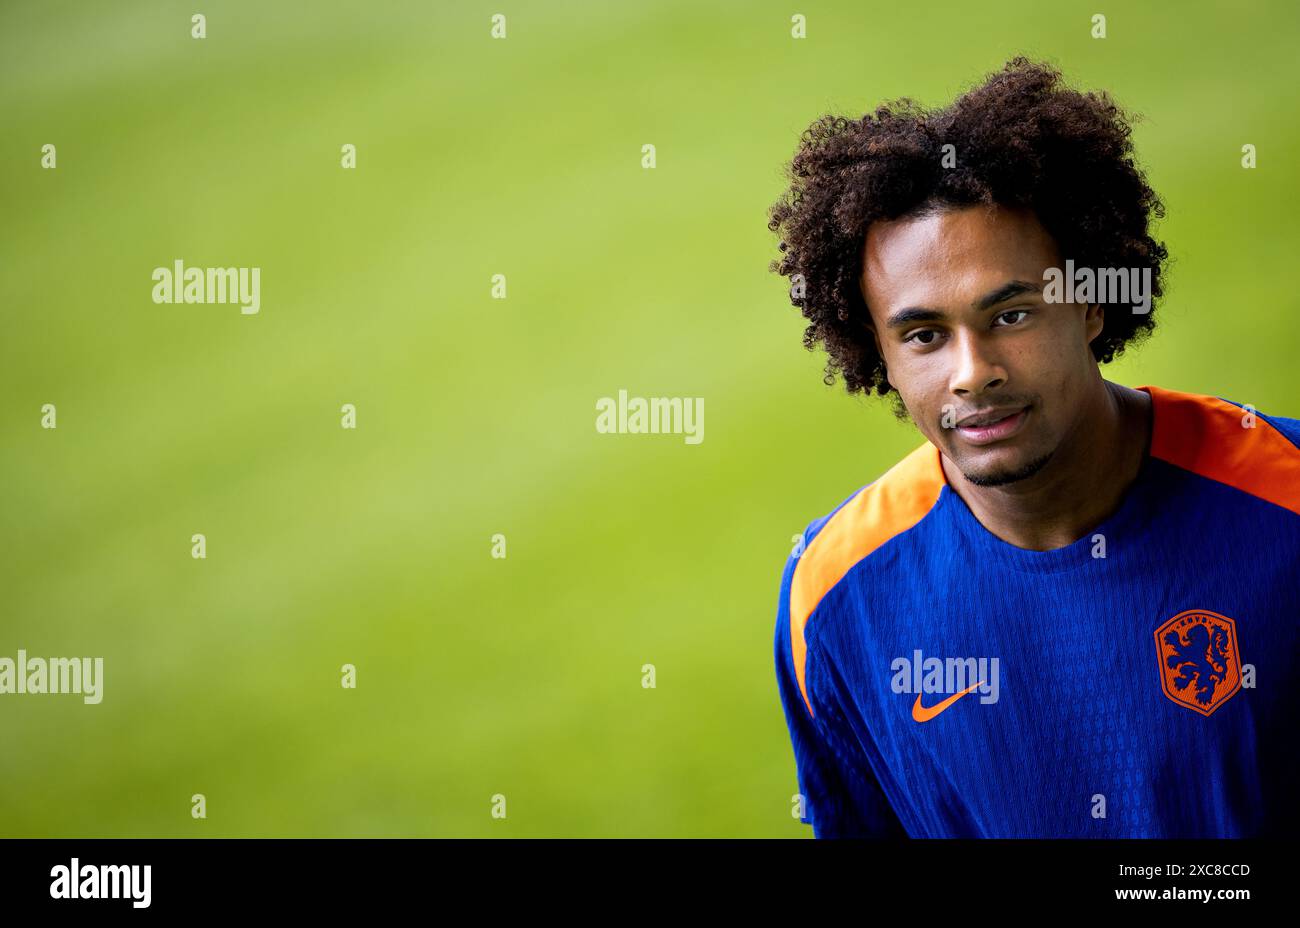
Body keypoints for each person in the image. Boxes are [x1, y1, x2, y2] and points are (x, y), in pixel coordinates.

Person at [766, 58, 1300, 837]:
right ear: (876, 352)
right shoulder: (834, 598)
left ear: (1091, 302)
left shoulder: (1283, 502)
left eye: (1011, 315)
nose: (972, 373)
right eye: (923, 336)